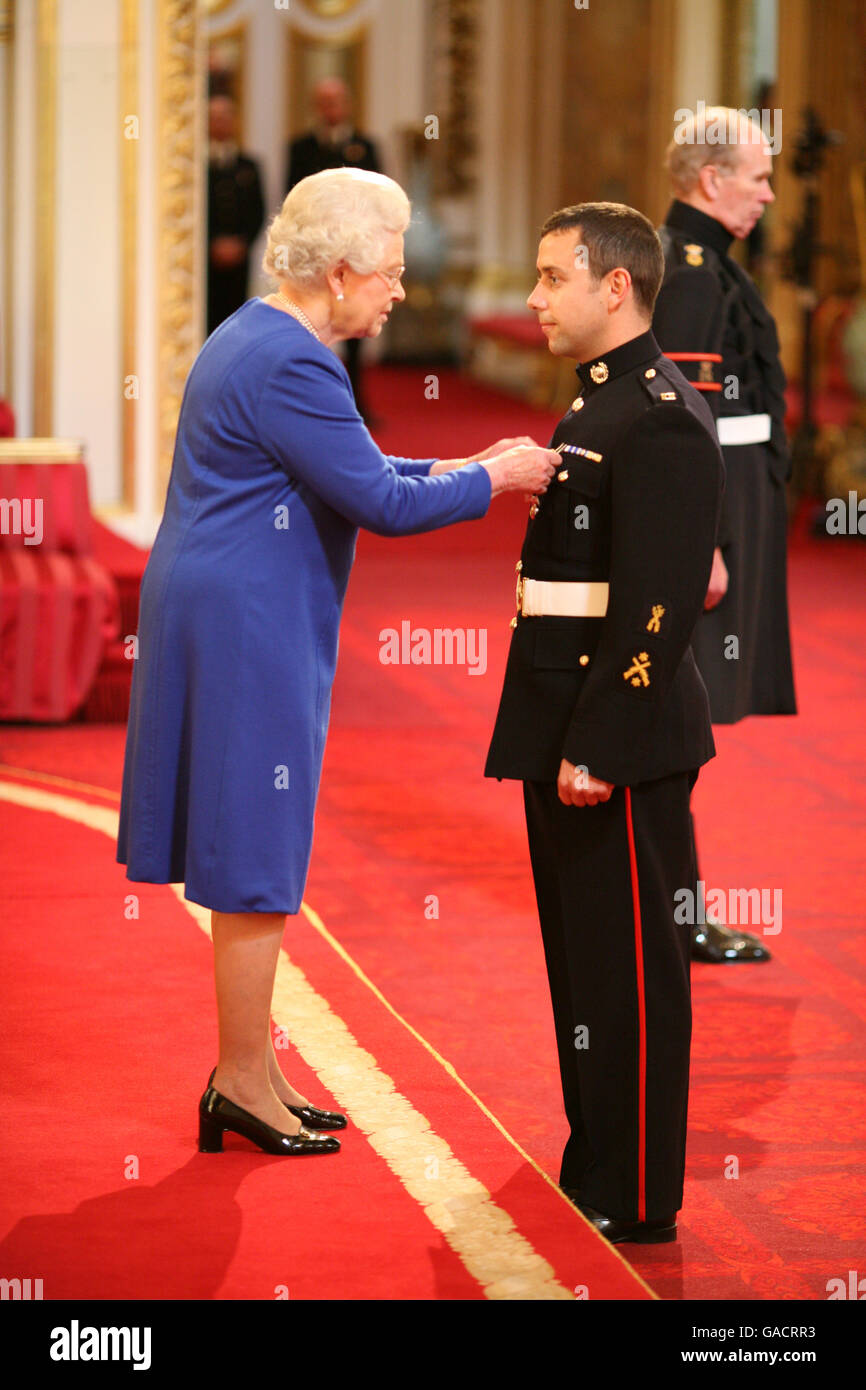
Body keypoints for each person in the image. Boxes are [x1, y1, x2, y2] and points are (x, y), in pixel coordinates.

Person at [117, 168, 557, 1160]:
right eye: (391, 274)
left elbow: (353, 469)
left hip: (230, 601)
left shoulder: (269, 335)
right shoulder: (296, 363)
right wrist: (492, 478)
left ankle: (253, 1070)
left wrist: (457, 467)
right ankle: (239, 1078)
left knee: (253, 843)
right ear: (343, 269)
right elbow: (380, 505)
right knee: (253, 851)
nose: (400, 291)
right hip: (246, 618)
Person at [485, 202, 723, 1242]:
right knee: (582, 958)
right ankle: (596, 1157)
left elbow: (660, 604)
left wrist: (601, 741)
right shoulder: (598, 404)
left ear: (612, 286)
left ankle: (633, 1193)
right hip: (564, 715)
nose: (532, 297)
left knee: (627, 969)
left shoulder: (656, 411)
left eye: (549, 276)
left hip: (612, 735)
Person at [653, 108, 797, 964]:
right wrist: (700, 539)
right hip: (719, 511)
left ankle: (677, 905)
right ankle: (679, 913)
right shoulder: (694, 271)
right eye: (758, 177)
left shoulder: (700, 261)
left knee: (689, 718)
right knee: (684, 719)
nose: (770, 194)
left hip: (734, 500)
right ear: (713, 181)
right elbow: (684, 417)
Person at [285, 77, 382, 418]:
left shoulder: (365, 146)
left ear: (347, 104)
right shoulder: (301, 148)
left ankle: (355, 403)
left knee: (357, 326)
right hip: (317, 255)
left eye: (336, 100)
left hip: (355, 255)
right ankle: (311, 402)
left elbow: (376, 200)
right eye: (324, 101)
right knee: (313, 324)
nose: (330, 108)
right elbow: (294, 200)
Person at [207, 95, 265, 336]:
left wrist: (241, 244)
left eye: (225, 117)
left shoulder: (249, 166)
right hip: (205, 260)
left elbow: (258, 210)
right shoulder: (194, 167)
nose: (220, 122)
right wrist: (213, 244)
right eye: (214, 118)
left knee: (235, 322)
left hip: (239, 260)